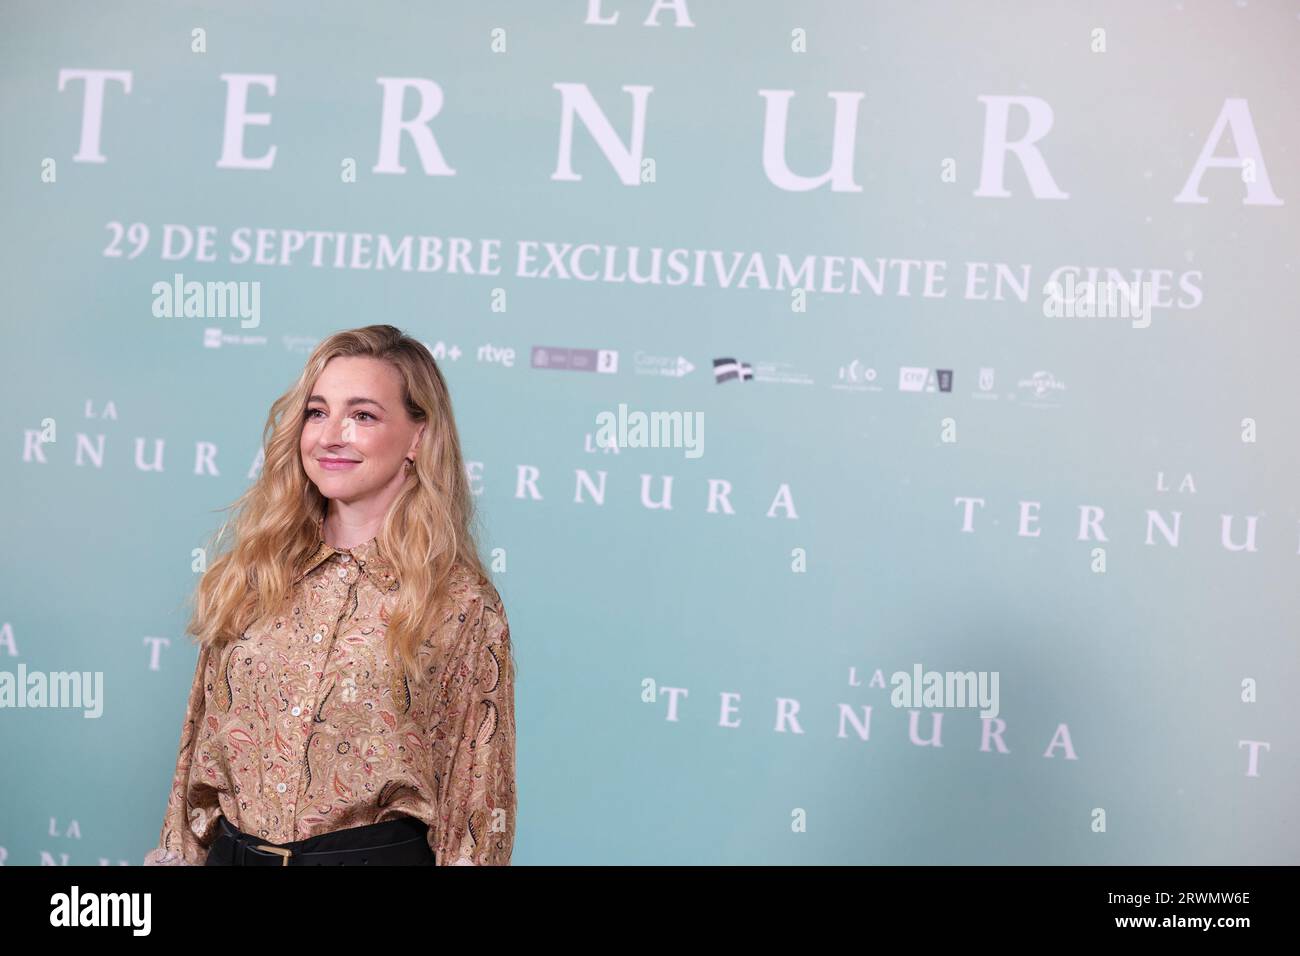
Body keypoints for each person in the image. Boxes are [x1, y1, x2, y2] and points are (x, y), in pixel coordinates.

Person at [143, 324, 516, 866]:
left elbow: (479, 802)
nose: (331, 435)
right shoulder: (253, 574)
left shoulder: (459, 601)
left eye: (362, 415)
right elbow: (194, 766)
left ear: (418, 438)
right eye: (317, 412)